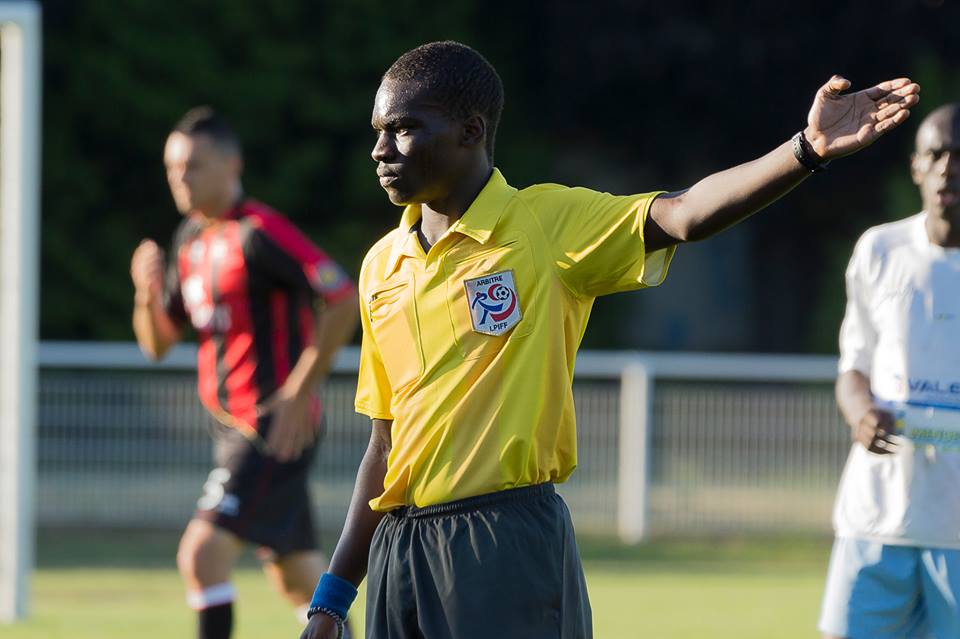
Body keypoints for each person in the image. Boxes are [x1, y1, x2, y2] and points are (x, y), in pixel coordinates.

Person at [300, 41, 919, 639]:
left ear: (470, 129)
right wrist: (333, 594)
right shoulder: (383, 265)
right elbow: (384, 443)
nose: (382, 149)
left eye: (404, 129)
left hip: (502, 541)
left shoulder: (543, 225)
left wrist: (805, 150)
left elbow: (683, 214)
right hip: (397, 552)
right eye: (378, 131)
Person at [130, 107, 358, 639]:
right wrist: (145, 294)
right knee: (298, 581)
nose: (180, 179)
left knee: (201, 556)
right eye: (172, 168)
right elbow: (159, 343)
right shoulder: (189, 240)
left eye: (193, 166)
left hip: (270, 425)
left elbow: (341, 299)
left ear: (232, 164)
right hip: (229, 427)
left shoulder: (260, 232)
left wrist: (300, 390)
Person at [818, 104, 960, 639]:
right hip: (876, 518)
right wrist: (861, 413)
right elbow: (852, 368)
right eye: (936, 154)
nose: (949, 168)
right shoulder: (880, 249)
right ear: (916, 168)